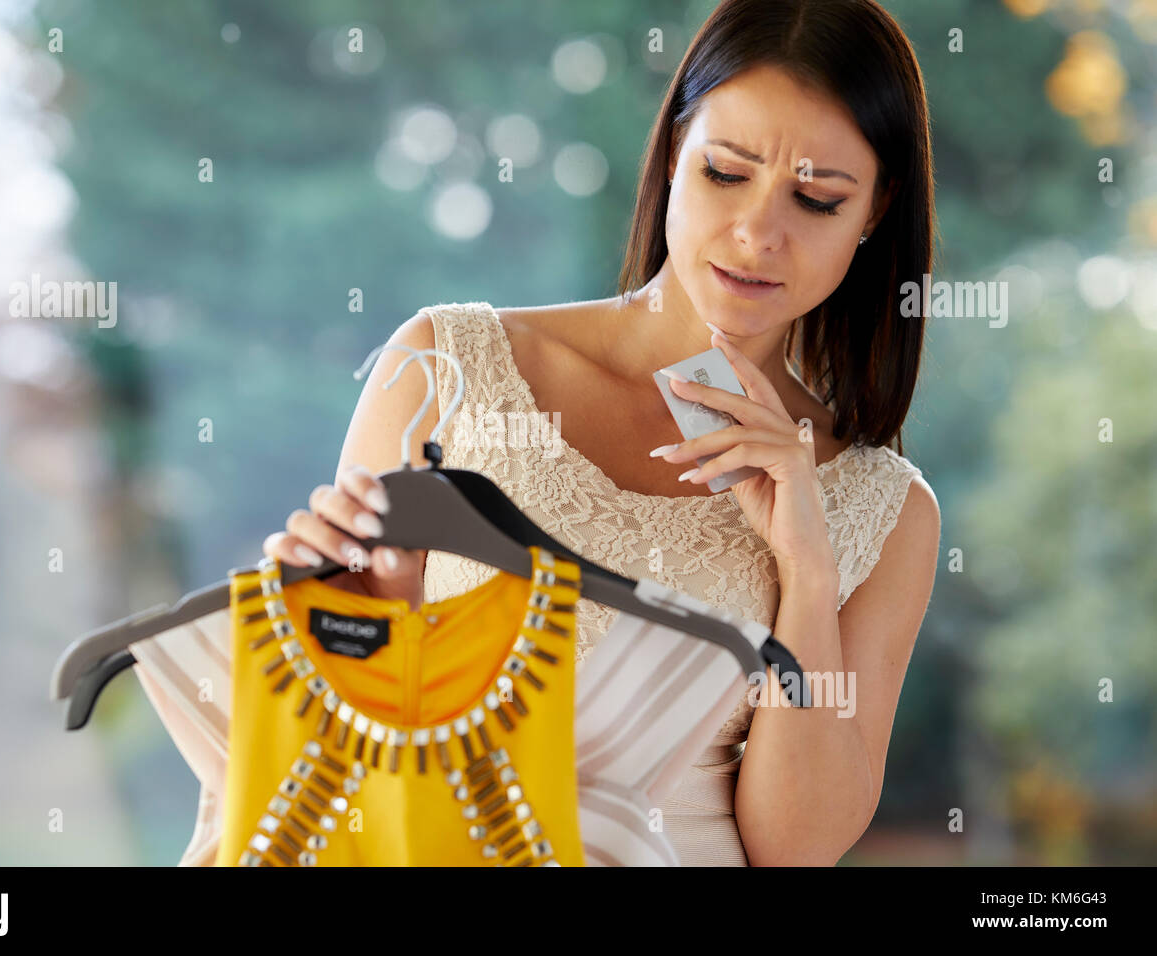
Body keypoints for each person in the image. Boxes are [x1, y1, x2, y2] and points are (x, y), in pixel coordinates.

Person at [263, 0, 941, 866]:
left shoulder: (886, 510)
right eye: (726, 174)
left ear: (876, 210)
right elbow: (325, 756)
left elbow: (795, 847)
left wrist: (805, 574)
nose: (757, 233)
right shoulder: (445, 369)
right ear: (670, 154)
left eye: (815, 199)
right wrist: (368, 615)